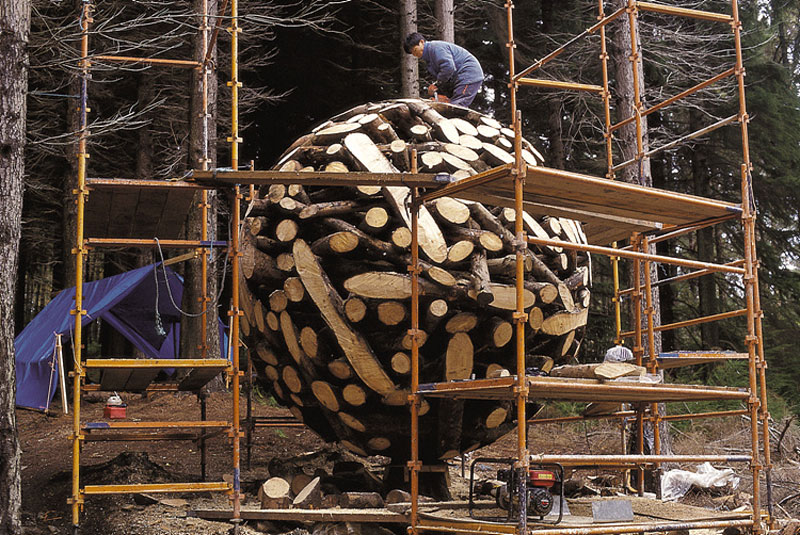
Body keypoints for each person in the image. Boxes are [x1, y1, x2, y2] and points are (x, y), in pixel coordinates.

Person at [403, 32, 484, 108]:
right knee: (451, 106)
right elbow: (445, 75)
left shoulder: (436, 48)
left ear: (422, 42)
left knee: (457, 107)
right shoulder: (429, 57)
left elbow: (449, 67)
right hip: (461, 77)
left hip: (469, 74)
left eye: (415, 50)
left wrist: (437, 84)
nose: (415, 54)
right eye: (412, 53)